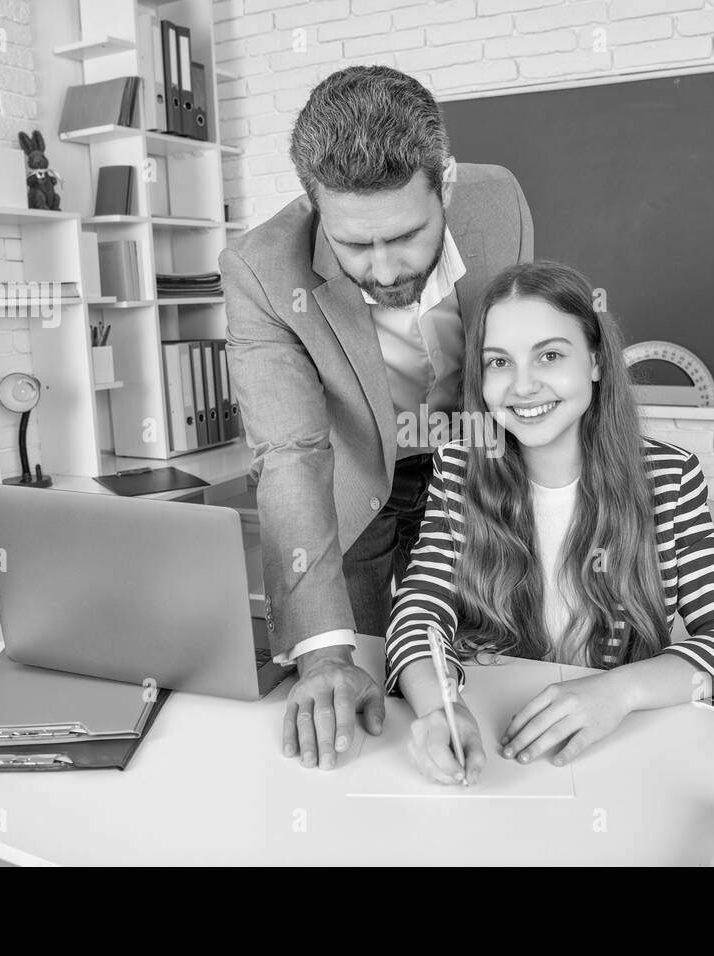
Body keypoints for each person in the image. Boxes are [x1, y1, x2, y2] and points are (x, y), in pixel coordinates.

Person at [219, 66, 533, 769]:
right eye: (356, 246)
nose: (387, 270)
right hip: (352, 473)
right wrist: (323, 654)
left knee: (485, 664)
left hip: (467, 457)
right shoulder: (261, 268)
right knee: (354, 682)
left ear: (444, 184)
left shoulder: (499, 204)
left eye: (408, 236)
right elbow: (291, 452)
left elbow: (519, 352)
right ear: (314, 205)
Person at [385, 260, 714, 785]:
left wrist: (621, 691)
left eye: (549, 355)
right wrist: (438, 710)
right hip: (500, 739)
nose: (523, 386)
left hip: (615, 749)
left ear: (594, 360)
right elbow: (418, 611)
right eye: (498, 362)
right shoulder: (458, 468)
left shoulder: (668, 477)